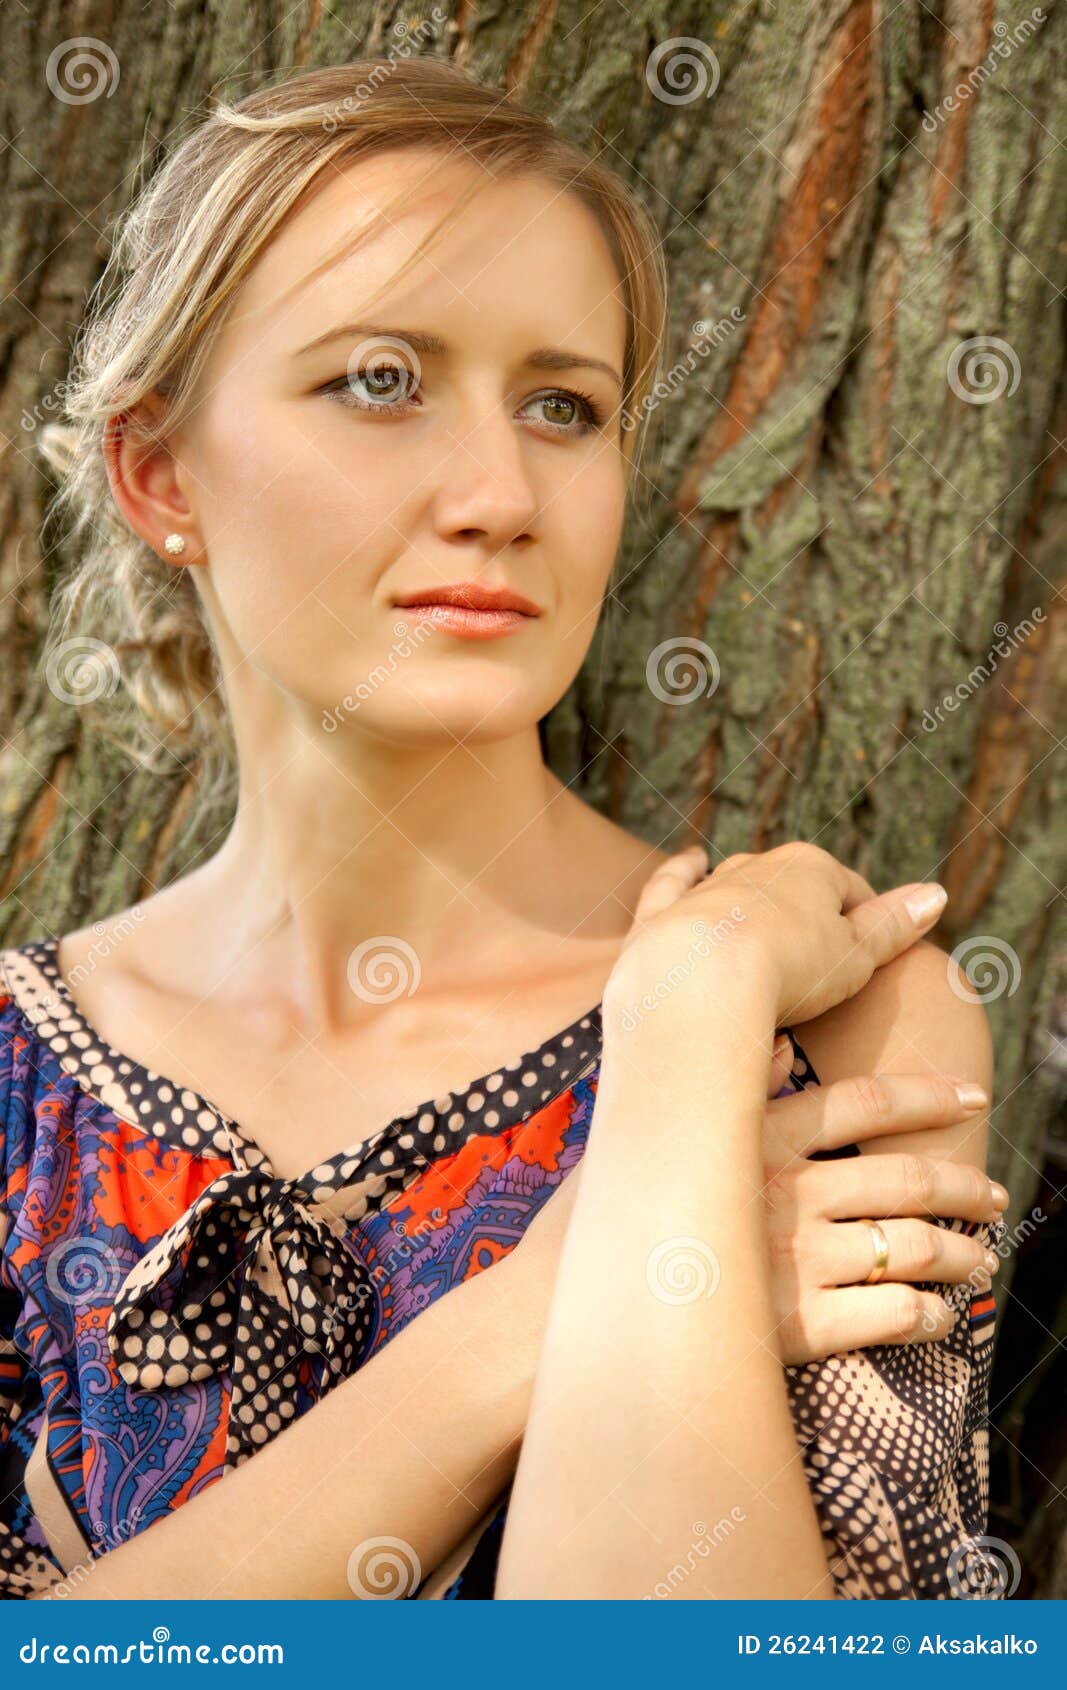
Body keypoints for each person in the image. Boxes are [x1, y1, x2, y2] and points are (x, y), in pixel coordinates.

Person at [0, 58, 1004, 1601]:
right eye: (381, 381)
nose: (502, 492)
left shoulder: (836, 1032)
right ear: (160, 474)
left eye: (563, 406)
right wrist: (541, 1314)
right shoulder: (16, 1097)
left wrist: (679, 1028)